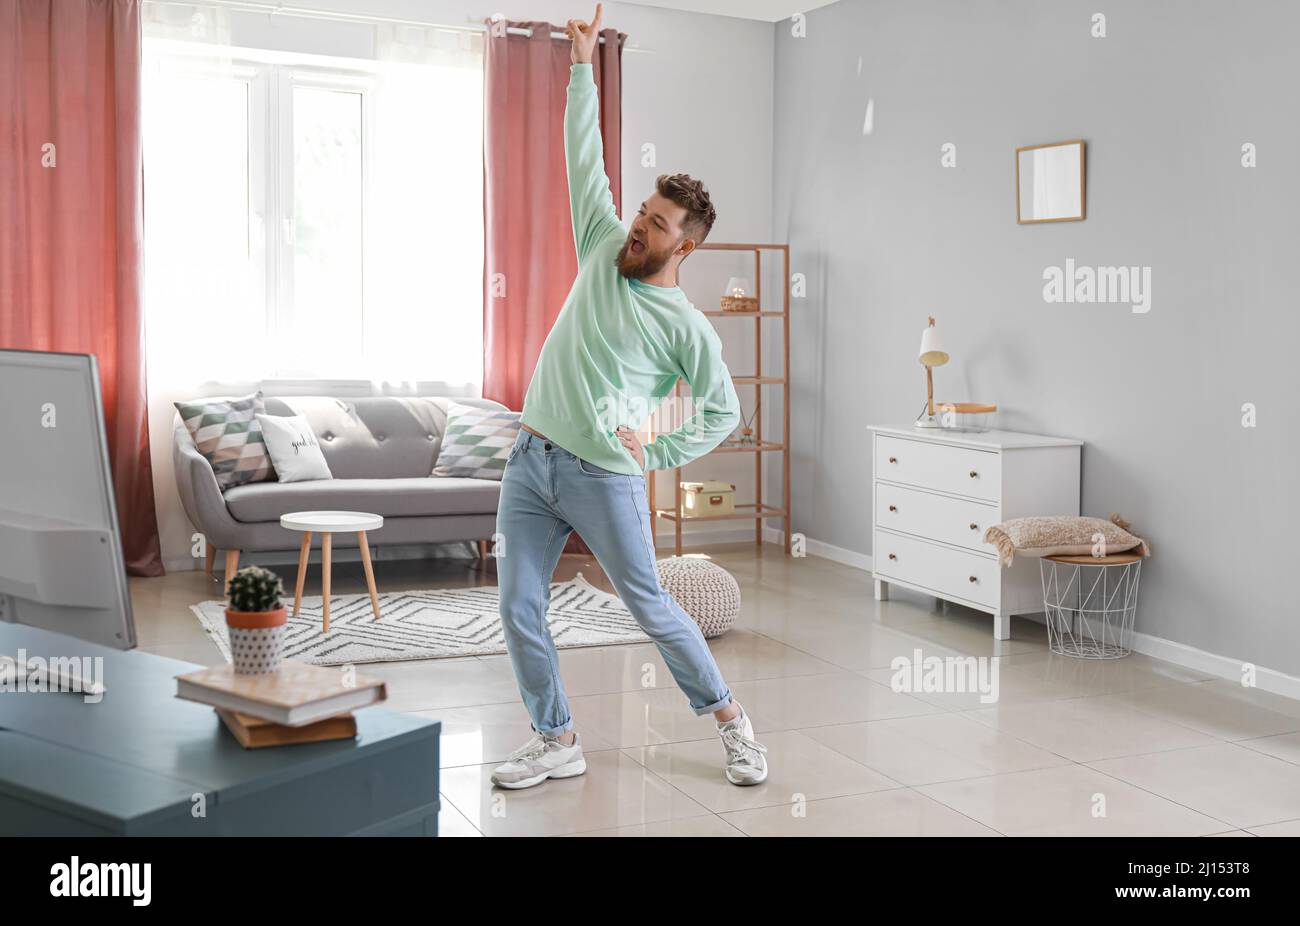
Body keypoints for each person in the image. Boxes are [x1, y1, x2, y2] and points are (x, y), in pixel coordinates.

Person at [490, 3, 768, 790]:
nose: (638, 229)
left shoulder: (685, 325)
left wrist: (660, 446)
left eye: (656, 226)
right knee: (518, 607)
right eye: (643, 214)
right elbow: (586, 160)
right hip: (530, 460)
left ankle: (731, 722)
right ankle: (556, 739)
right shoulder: (601, 245)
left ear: (686, 247)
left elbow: (723, 411)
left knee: (649, 606)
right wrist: (580, 66)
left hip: (602, 473)